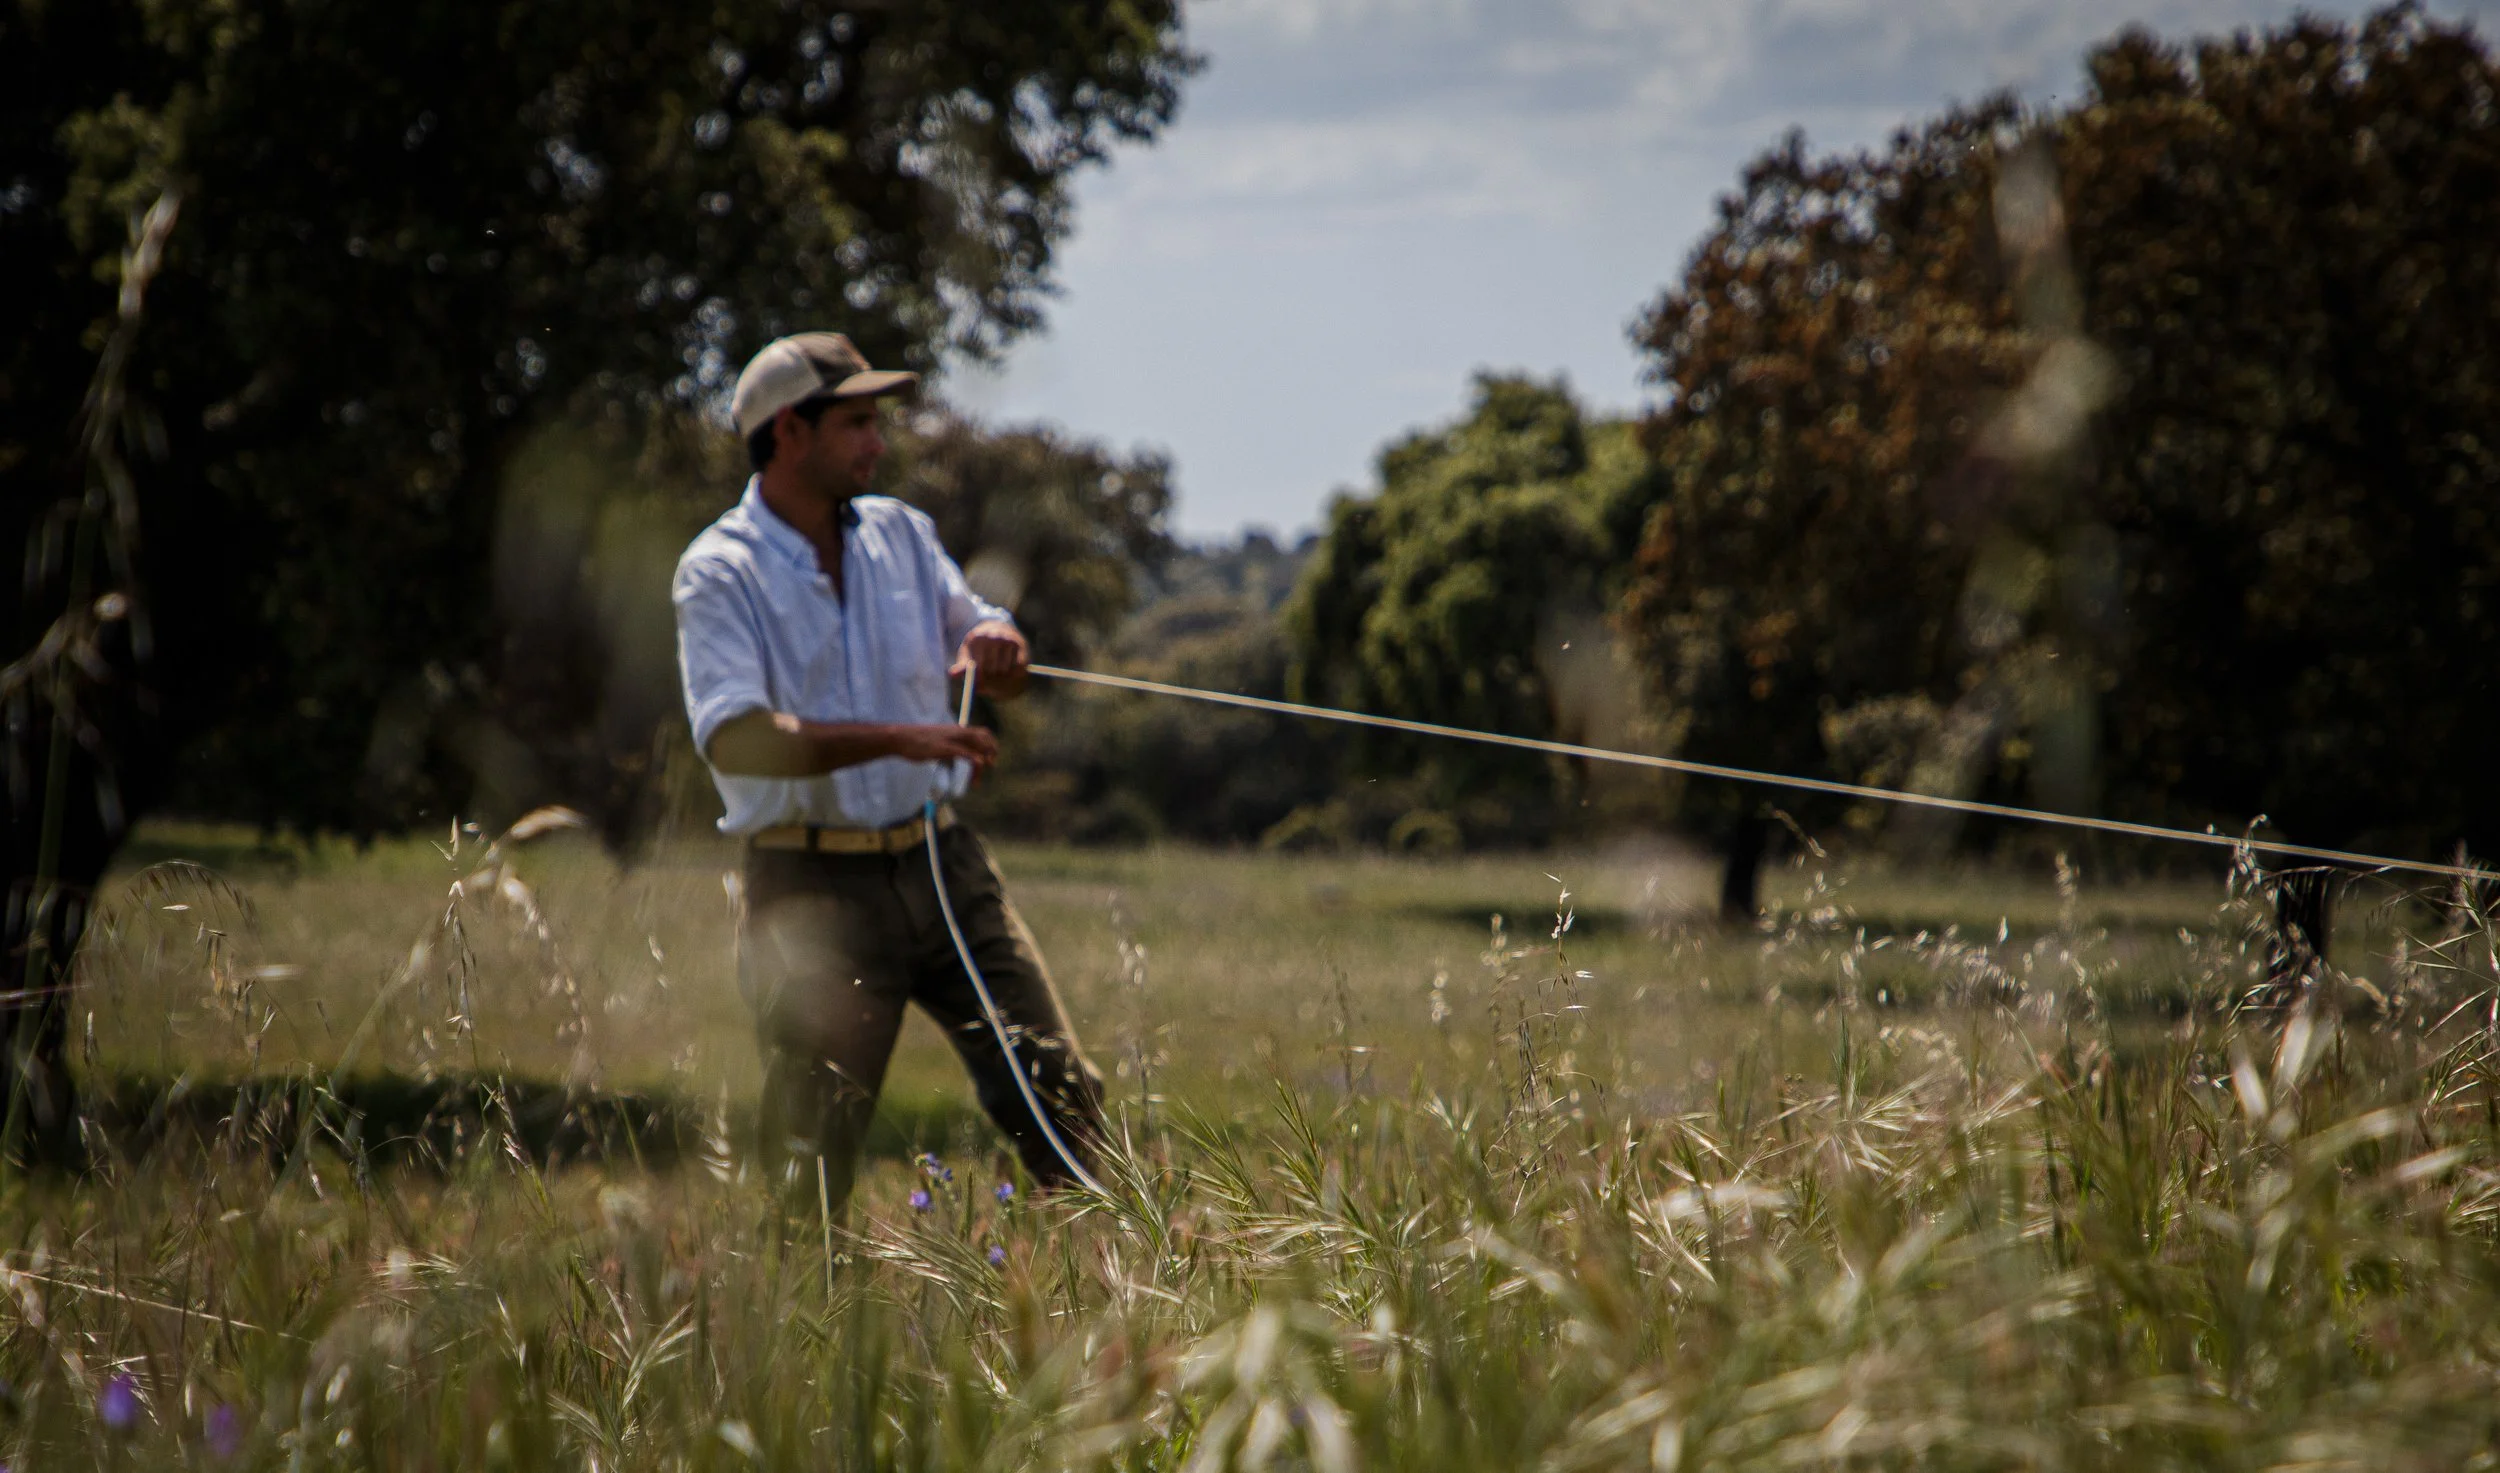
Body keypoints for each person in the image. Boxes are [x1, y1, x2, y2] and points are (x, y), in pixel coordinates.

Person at [671, 332, 1105, 1210]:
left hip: (941, 863)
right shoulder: (719, 572)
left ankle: (1121, 1294)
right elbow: (739, 740)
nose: (879, 442)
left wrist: (1000, 643)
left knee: (1056, 1089)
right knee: (811, 1147)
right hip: (808, 883)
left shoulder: (903, 534)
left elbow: (984, 640)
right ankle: (809, 1327)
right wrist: (900, 739)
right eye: (859, 422)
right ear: (791, 432)